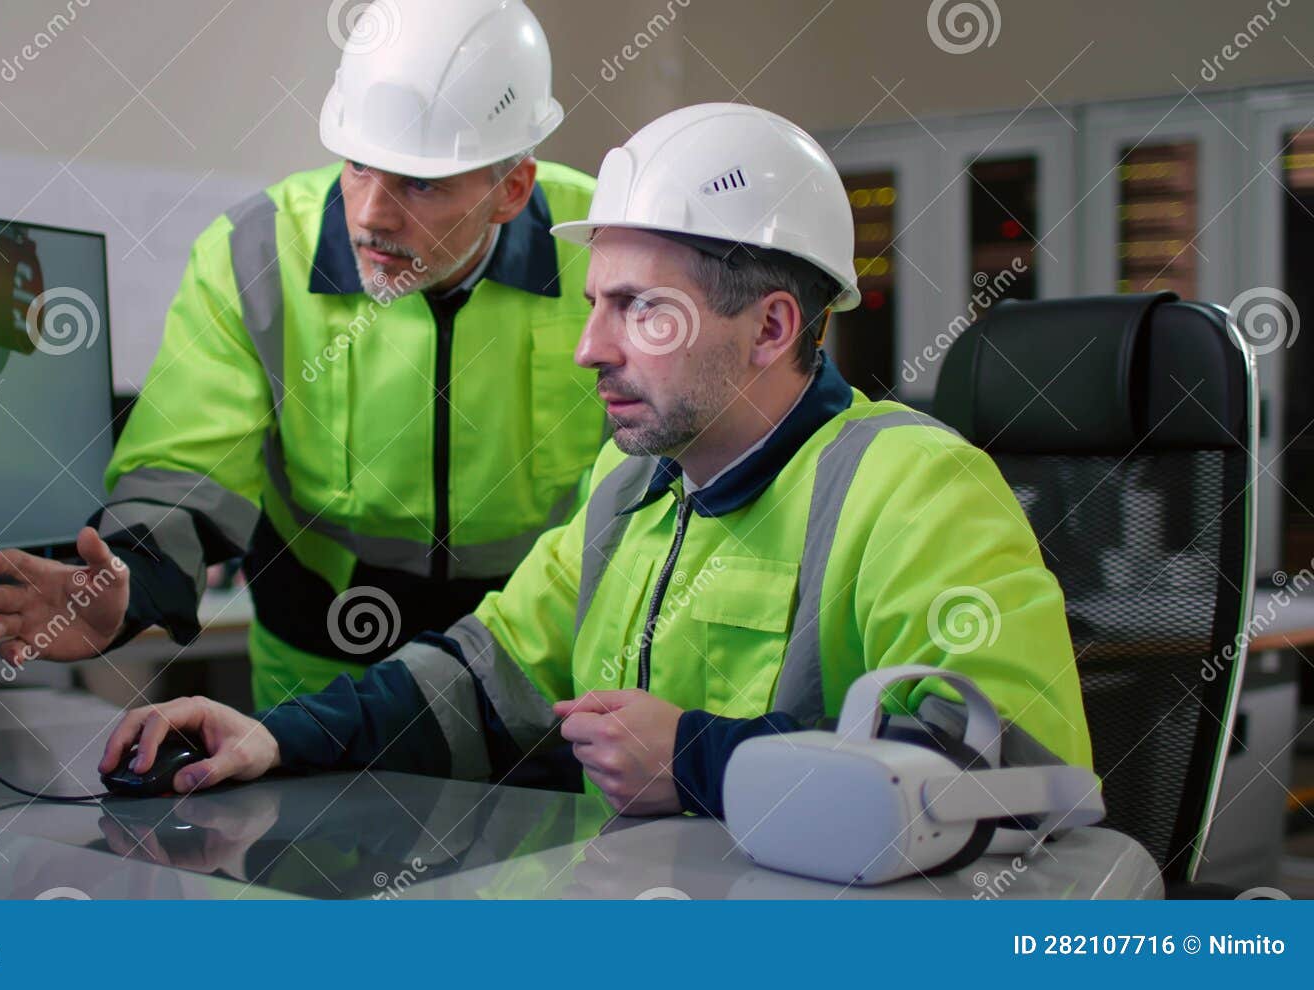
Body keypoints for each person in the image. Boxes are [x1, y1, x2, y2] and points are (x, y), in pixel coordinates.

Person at [99, 102, 1096, 818]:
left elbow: (1015, 774)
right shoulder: (630, 497)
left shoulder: (913, 488)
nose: (590, 348)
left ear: (771, 325)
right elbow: (481, 677)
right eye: (594, 303)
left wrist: (705, 761)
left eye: (641, 311)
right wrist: (273, 736)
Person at [0, 0, 603, 708]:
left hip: (531, 661)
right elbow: (184, 467)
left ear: (510, 189)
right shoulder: (255, 251)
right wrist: (134, 581)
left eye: (420, 183)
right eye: (359, 165)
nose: (370, 216)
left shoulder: (601, 251)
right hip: (323, 661)